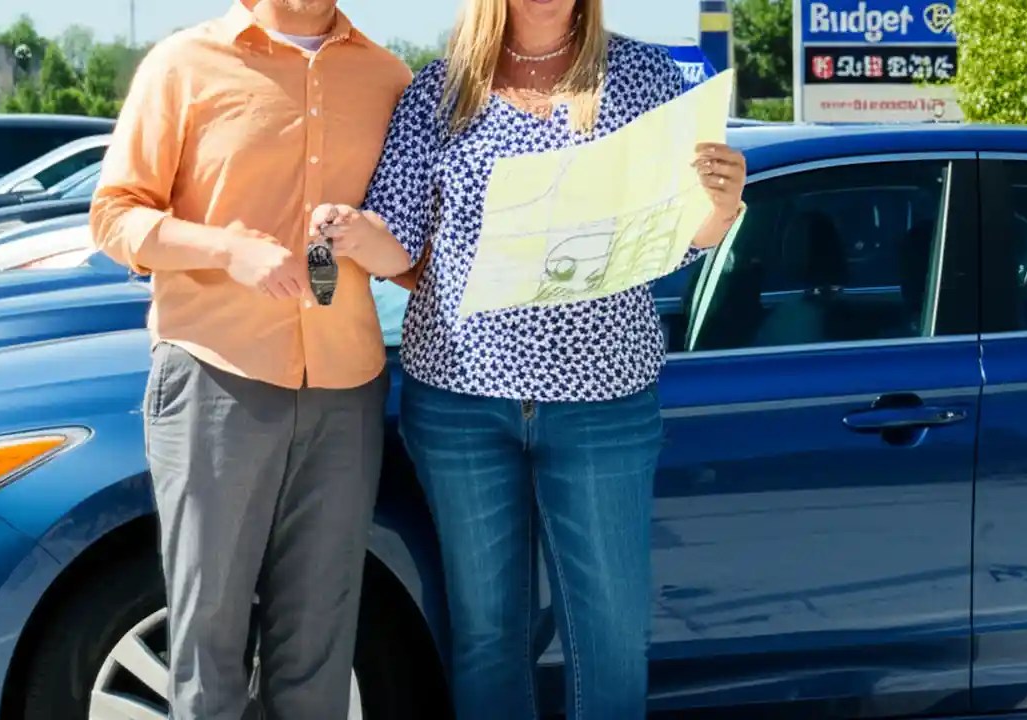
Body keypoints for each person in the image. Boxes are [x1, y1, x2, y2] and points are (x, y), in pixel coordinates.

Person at [310, 0, 747, 716]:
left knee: (608, 636)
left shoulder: (644, 75)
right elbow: (403, 245)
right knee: (487, 636)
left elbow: (689, 235)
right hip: (459, 403)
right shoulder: (439, 90)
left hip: (604, 401)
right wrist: (357, 233)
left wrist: (722, 205)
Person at [89, 1, 417, 718]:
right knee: (209, 650)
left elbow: (419, 253)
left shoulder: (389, 78)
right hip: (215, 377)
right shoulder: (183, 64)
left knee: (320, 650)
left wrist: (372, 239)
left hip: (346, 388)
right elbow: (113, 213)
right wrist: (226, 249)